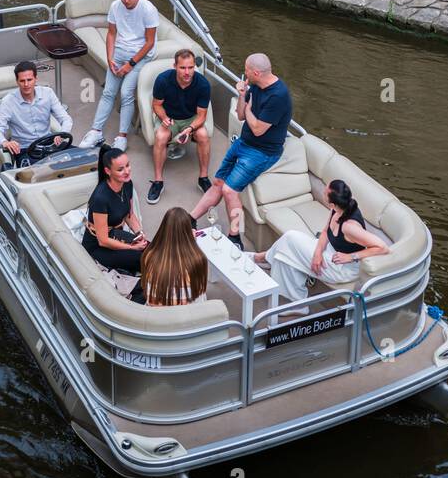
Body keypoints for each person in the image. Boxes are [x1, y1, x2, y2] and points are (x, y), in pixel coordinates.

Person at [190, 53, 292, 244]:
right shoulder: (254, 86)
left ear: (256, 72)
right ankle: (190, 219)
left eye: (246, 70)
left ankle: (235, 237)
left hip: (263, 152)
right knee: (219, 183)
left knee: (229, 190)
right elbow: (240, 115)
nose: (243, 74)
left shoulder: (278, 96)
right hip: (243, 142)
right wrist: (243, 95)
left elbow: (258, 129)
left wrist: (248, 109)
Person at [254, 179, 392, 309]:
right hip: (329, 251)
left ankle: (263, 258)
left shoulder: (350, 227)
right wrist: (318, 253)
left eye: (325, 192)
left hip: (341, 267)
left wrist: (351, 257)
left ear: (332, 203)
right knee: (287, 252)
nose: (323, 191)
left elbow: (382, 247)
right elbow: (325, 231)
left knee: (290, 239)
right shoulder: (337, 209)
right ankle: (297, 304)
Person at [80, 0, 159, 150]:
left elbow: (150, 42)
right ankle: (96, 131)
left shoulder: (148, 9)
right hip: (119, 53)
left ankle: (122, 136)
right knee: (108, 92)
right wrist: (110, 57)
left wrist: (130, 64)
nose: (126, 1)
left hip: (141, 56)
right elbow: (111, 34)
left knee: (125, 93)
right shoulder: (116, 6)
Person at [147, 48, 212, 203]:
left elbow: (202, 115)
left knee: (203, 135)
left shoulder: (203, 84)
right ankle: (158, 182)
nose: (187, 72)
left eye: (190, 67)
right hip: (170, 118)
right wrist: (163, 118)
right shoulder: (163, 80)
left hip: (191, 119)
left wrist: (189, 130)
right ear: (175, 66)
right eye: (182, 67)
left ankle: (203, 178)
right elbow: (156, 105)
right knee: (161, 136)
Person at [84, 144, 147, 301]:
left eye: (128, 165)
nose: (127, 171)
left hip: (117, 234)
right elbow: (103, 240)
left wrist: (139, 233)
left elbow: (129, 216)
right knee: (143, 259)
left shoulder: (128, 184)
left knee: (153, 252)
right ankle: (145, 292)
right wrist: (132, 247)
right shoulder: (100, 197)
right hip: (98, 246)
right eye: (120, 169)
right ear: (108, 171)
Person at [0, 60, 73, 168]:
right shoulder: (8, 102)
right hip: (25, 150)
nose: (26, 84)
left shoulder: (48, 93)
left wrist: (62, 133)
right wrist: (5, 143)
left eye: (29, 80)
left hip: (50, 145)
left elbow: (66, 119)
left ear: (36, 79)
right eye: (22, 81)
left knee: (82, 158)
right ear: (17, 81)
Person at [141, 207, 208, 307]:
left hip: (156, 314)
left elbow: (145, 289)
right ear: (188, 231)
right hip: (187, 315)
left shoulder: (149, 255)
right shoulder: (198, 259)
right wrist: (193, 243)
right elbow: (201, 289)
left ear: (163, 228)